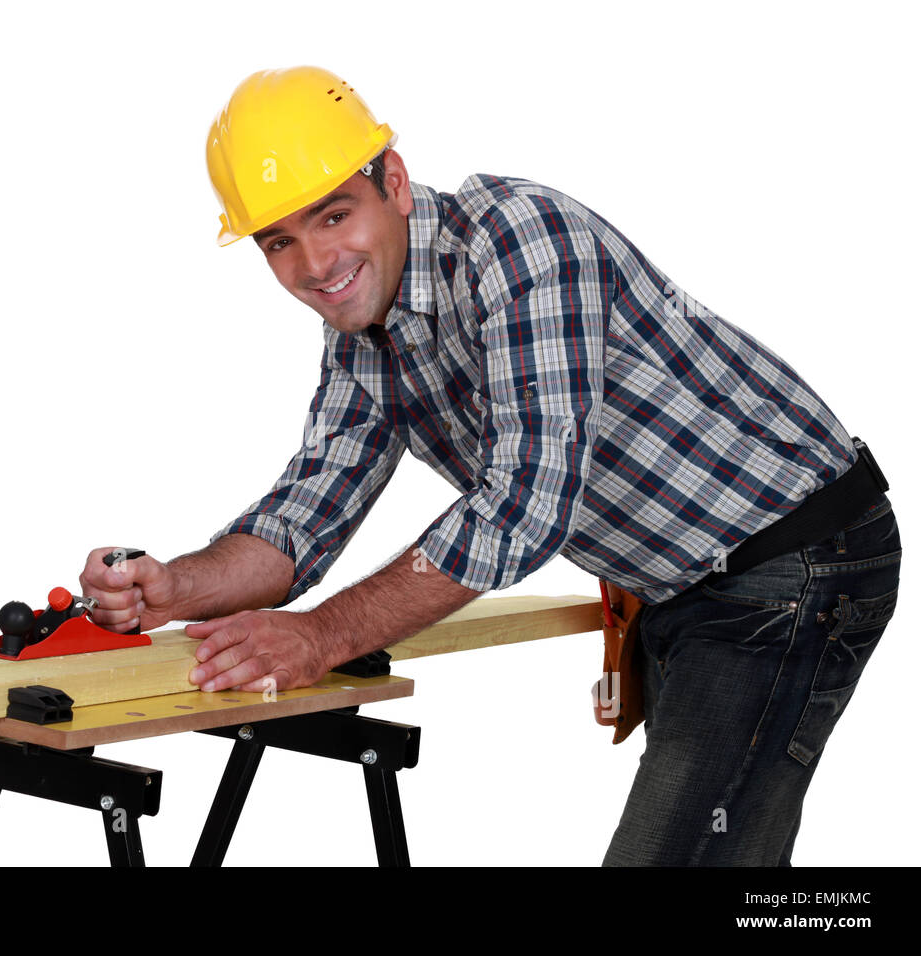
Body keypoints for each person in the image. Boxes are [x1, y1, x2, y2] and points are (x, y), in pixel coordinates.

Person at [77, 66, 900, 865]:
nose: (316, 264)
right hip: (683, 583)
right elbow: (306, 515)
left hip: (795, 559)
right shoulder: (367, 334)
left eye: (334, 216)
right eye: (280, 242)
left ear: (395, 182)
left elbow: (523, 508)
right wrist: (176, 587)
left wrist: (321, 635)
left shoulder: (520, 242)